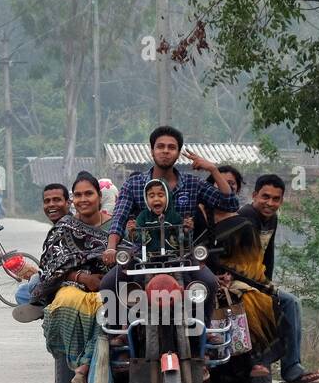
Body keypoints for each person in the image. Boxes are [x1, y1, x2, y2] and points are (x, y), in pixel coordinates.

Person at [100, 126, 235, 331]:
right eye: (160, 146)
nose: (165, 151)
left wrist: (213, 170)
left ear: (178, 152)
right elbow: (118, 218)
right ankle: (119, 339)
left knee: (208, 282)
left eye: (171, 147)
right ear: (151, 150)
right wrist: (111, 247)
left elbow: (230, 203)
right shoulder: (134, 184)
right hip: (142, 256)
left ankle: (203, 333)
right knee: (109, 284)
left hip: (183, 255)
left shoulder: (192, 183)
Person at [229, 172, 319, 383]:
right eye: (265, 197)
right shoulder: (245, 217)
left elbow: (267, 256)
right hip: (235, 279)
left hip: (255, 280)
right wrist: (264, 289)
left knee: (291, 302)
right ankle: (270, 362)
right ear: (255, 195)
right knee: (275, 303)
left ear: (281, 201)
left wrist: (269, 284)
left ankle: (292, 367)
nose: (270, 203)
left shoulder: (271, 219)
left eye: (275, 199)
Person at [33, 172, 112, 383]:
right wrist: (81, 277)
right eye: (78, 195)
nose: (83, 199)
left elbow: (130, 255)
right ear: (73, 199)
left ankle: (86, 366)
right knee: (62, 305)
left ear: (99, 196)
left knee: (109, 309)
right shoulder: (64, 226)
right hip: (74, 287)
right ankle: (78, 362)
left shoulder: (117, 225)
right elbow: (50, 266)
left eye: (89, 193)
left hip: (110, 288)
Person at [13, 183, 72, 306]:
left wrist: (43, 275)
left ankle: (45, 306)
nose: (51, 204)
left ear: (68, 203)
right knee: (22, 292)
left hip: (67, 283)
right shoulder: (56, 228)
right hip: (54, 279)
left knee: (33, 284)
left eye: (57, 200)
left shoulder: (71, 227)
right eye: (47, 201)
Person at [125, 178, 190, 256]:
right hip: (148, 259)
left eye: (160, 195)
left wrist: (186, 231)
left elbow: (183, 241)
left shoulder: (175, 217)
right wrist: (133, 232)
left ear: (168, 197)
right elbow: (138, 240)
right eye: (151, 196)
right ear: (146, 199)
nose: (156, 199)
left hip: (174, 258)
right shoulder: (143, 217)